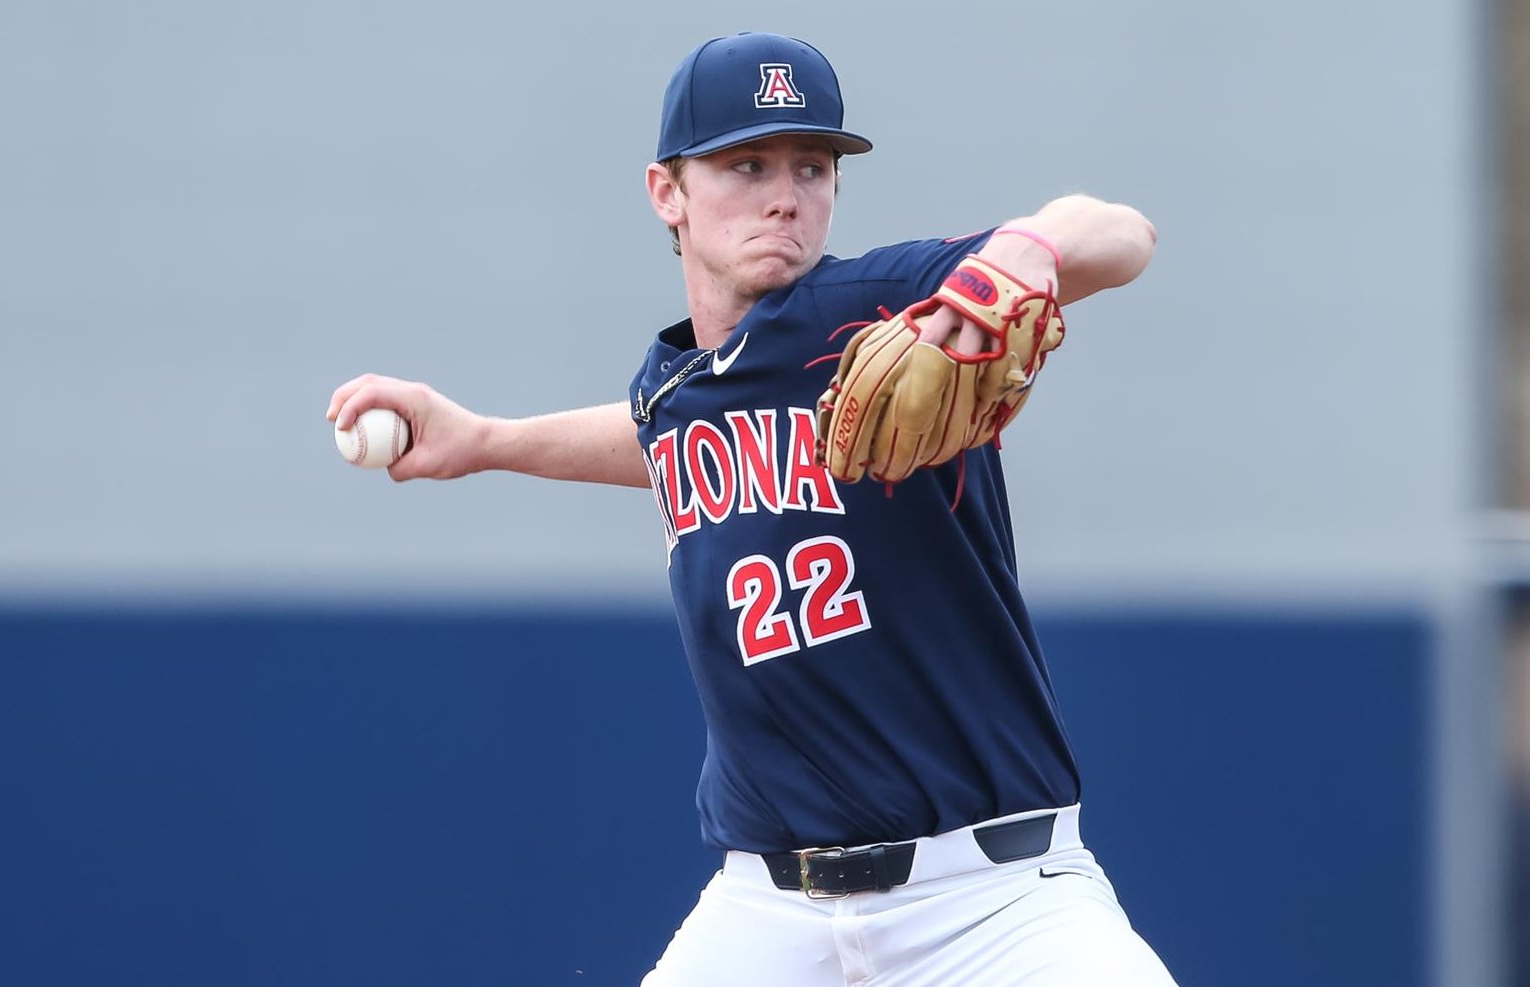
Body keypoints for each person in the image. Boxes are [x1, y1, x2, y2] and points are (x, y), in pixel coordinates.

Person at [329, 31, 1175, 986]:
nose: (784, 193)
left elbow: (1121, 234)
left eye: (810, 166)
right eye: (746, 164)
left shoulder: (873, 305)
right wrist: (485, 440)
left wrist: (1022, 252)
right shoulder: (676, 384)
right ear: (666, 193)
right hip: (768, 910)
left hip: (994, 900)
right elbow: (668, 440)